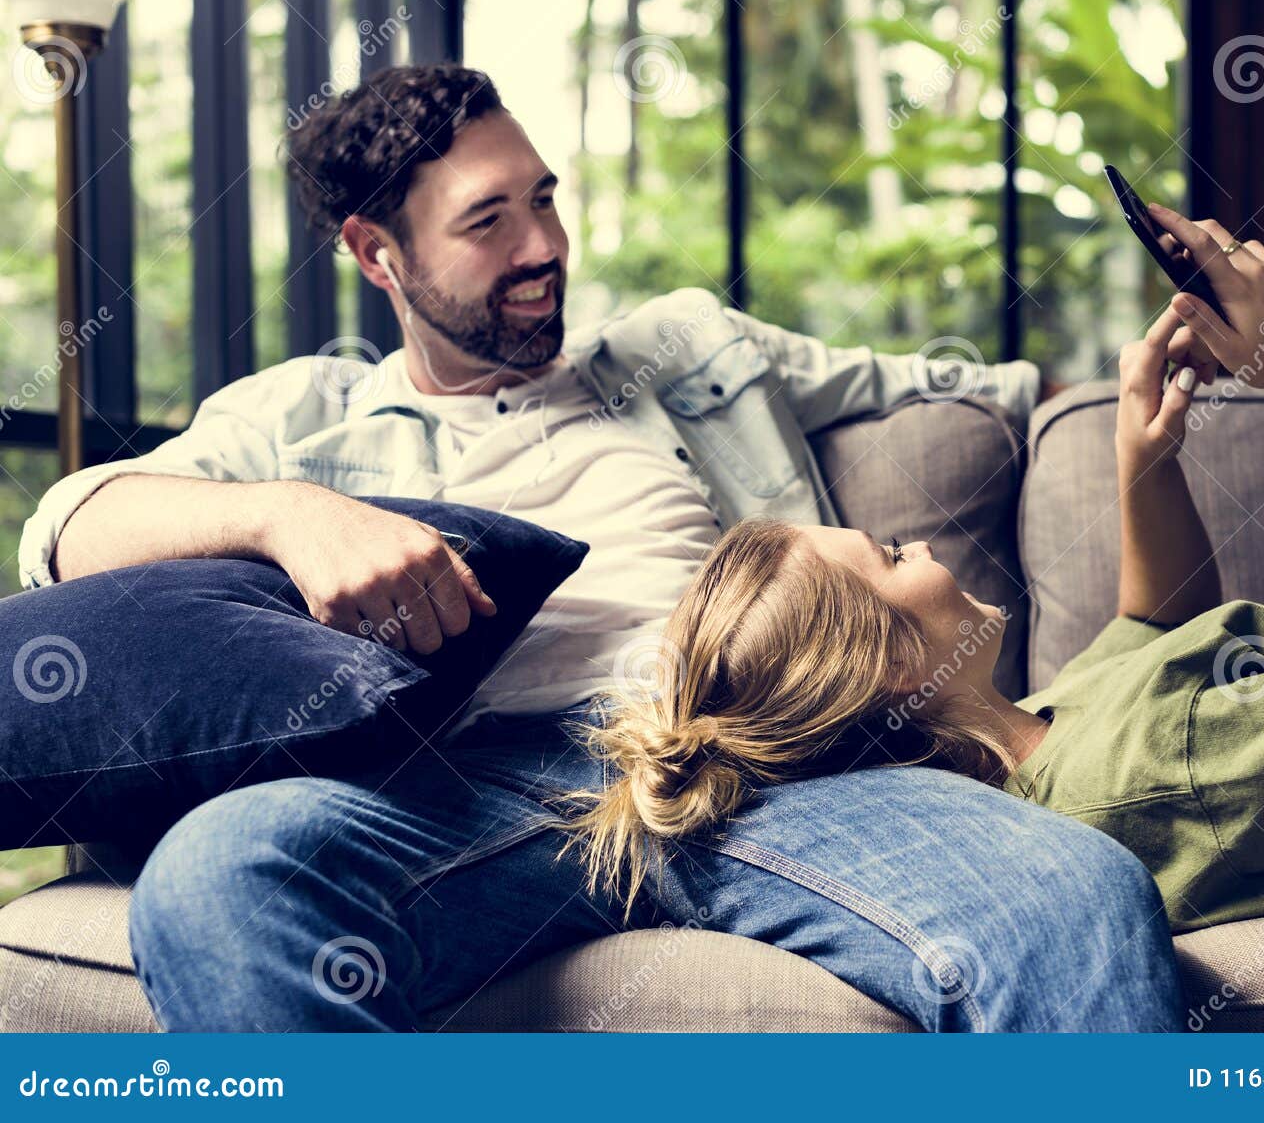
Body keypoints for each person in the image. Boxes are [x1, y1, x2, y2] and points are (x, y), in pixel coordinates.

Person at [19, 64, 1184, 1031]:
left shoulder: (680, 350)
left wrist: (1176, 371)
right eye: (488, 221)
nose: (543, 244)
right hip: (467, 789)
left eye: (545, 198)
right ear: (378, 255)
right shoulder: (304, 418)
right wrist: (291, 514)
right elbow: (65, 528)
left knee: (1068, 893)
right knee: (221, 877)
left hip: (761, 759)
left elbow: (982, 389)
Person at [574, 204, 1264, 934]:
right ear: (889, 667)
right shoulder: (1146, 783)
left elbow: (1160, 636)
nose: (920, 546)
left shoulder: (1026, 757)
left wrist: (1141, 463)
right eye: (891, 559)